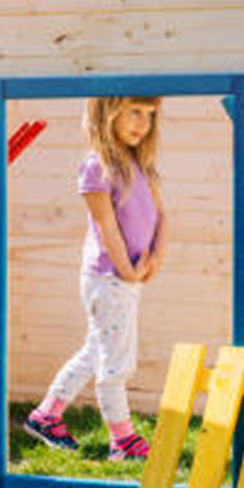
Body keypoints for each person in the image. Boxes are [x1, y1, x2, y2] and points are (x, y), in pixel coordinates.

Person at [25, 96, 167, 462]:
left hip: (127, 277)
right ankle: (123, 440)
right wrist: (127, 269)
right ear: (108, 112)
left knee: (96, 351)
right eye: (134, 111)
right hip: (108, 277)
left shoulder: (140, 165)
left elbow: (161, 216)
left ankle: (46, 415)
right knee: (115, 363)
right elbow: (107, 226)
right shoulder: (97, 167)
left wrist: (154, 258)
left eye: (149, 115)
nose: (142, 123)